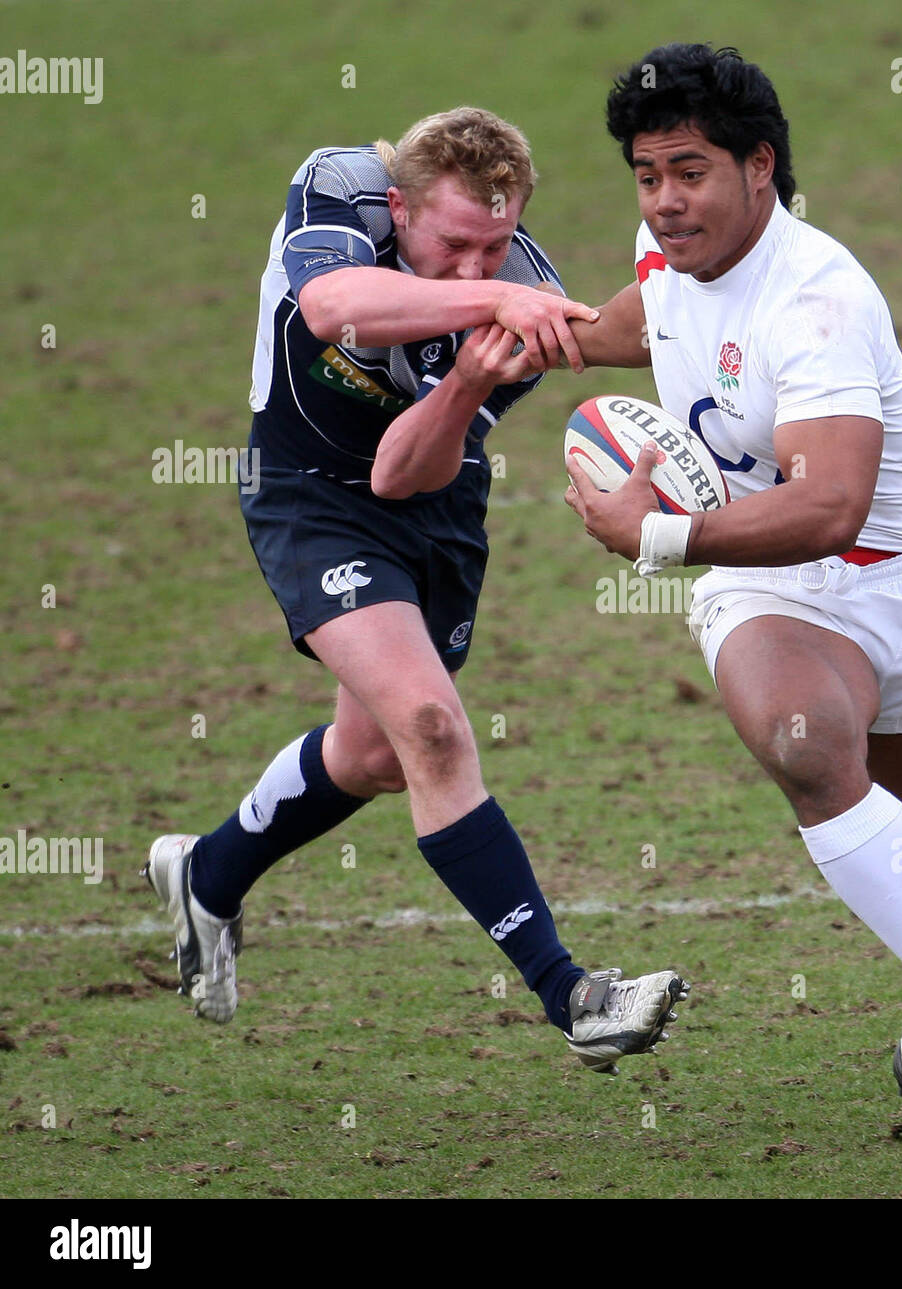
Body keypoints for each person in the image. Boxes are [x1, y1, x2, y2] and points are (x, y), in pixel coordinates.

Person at [562, 46, 902, 1137]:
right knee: (804, 745)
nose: (664, 200)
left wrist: (656, 535)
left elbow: (829, 506)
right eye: (645, 175)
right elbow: (644, 318)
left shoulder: (821, 299)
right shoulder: (662, 252)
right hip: (763, 579)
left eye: (688, 170)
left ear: (758, 166)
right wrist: (524, 336)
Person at [144, 107, 687, 1074]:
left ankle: (208, 871)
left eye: (497, 245)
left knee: (375, 751)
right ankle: (574, 995)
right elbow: (329, 308)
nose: (479, 269)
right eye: (453, 243)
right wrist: (487, 314)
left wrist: (475, 380)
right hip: (308, 497)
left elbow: (407, 471)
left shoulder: (522, 293)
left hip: (429, 495)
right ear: (399, 207)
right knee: (431, 726)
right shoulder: (341, 187)